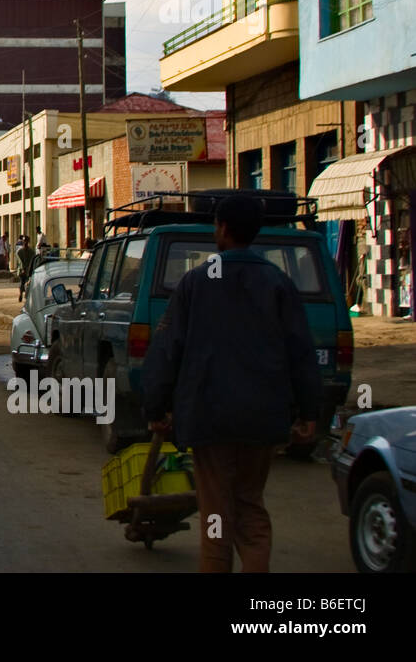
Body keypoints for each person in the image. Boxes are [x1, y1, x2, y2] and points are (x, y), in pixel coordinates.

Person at [143, 195, 320, 573]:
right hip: (263, 418)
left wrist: (156, 410)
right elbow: (302, 353)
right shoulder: (278, 281)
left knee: (216, 515)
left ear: (222, 228)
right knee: (250, 506)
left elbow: (166, 349)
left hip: (210, 419)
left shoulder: (197, 281)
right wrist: (309, 413)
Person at [16, 236, 36, 300]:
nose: (25, 242)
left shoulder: (32, 252)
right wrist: (22, 269)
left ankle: (27, 295)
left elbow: (32, 261)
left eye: (26, 241)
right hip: (22, 270)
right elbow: (19, 262)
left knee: (28, 283)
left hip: (29, 270)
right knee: (22, 282)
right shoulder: (19, 252)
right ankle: (20, 294)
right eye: (24, 241)